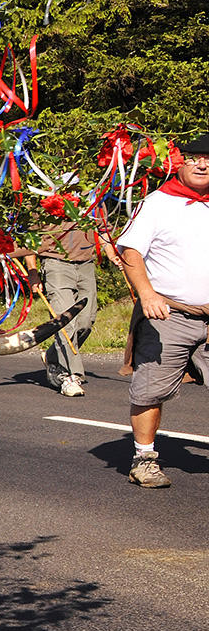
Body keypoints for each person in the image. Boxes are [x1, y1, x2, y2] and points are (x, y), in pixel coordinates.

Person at [116, 135, 209, 488]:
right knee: (150, 390)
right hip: (168, 315)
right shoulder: (157, 203)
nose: (202, 165)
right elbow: (130, 252)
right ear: (180, 161)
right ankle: (144, 459)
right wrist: (147, 294)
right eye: (194, 158)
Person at [25, 210, 101, 397]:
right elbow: (30, 237)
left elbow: (103, 230)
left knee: (86, 322)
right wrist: (33, 272)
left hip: (86, 264)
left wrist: (116, 255)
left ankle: (52, 356)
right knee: (65, 324)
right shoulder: (44, 199)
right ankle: (69, 376)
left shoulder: (93, 196)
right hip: (56, 263)